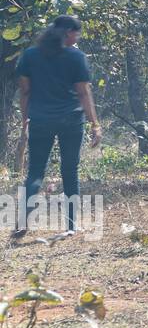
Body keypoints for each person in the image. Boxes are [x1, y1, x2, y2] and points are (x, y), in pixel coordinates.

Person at [14, 15, 101, 237]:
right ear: (69, 33)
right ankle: (71, 225)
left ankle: (23, 220)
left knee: (35, 172)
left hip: (40, 120)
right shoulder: (76, 57)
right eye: (77, 33)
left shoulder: (30, 55)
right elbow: (83, 92)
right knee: (70, 171)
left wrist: (25, 119)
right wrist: (94, 124)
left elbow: (25, 91)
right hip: (71, 121)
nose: (78, 37)